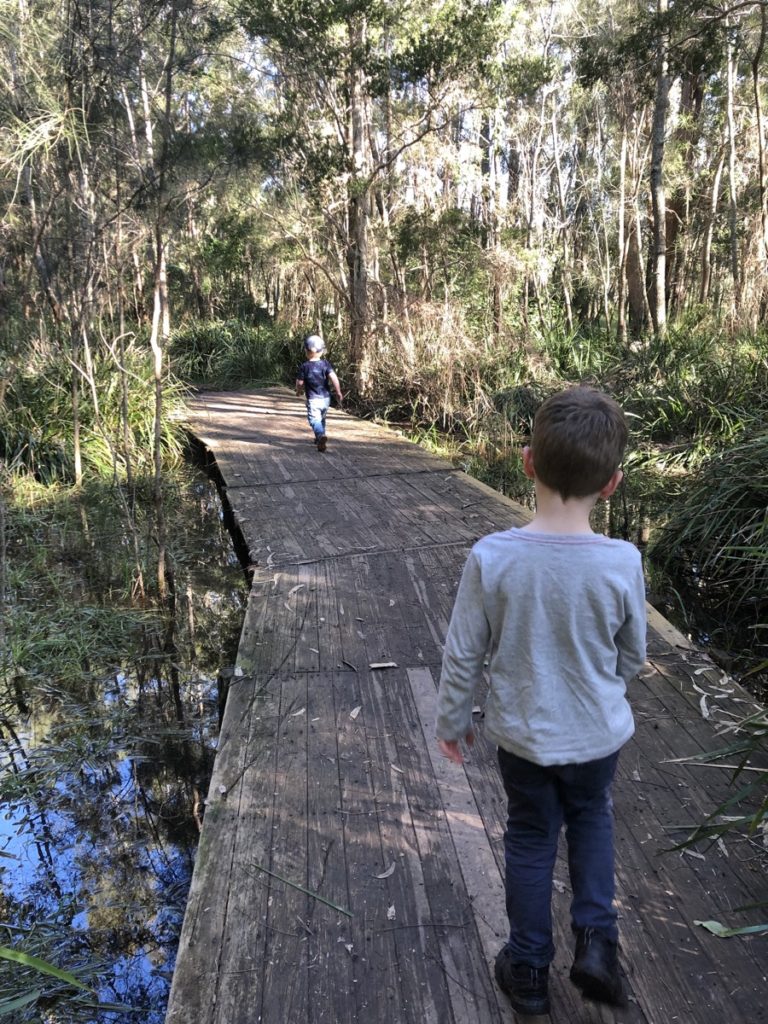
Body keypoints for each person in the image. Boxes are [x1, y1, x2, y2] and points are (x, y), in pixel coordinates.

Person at [435, 386, 646, 1017]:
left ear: (527, 463)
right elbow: (631, 654)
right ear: (611, 484)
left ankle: (528, 967)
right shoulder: (622, 561)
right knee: (592, 820)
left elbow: (463, 653)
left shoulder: (493, 557)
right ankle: (598, 945)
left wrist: (453, 721)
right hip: (595, 739)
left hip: (523, 739)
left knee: (530, 838)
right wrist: (602, 691)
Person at [295, 334, 343, 452]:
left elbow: (300, 382)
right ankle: (319, 439)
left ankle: (320, 435)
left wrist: (299, 391)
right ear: (322, 351)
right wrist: (338, 391)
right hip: (326, 399)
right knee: (321, 418)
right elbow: (334, 377)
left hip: (313, 399)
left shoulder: (304, 366)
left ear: (306, 351)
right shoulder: (325, 364)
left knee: (314, 419)